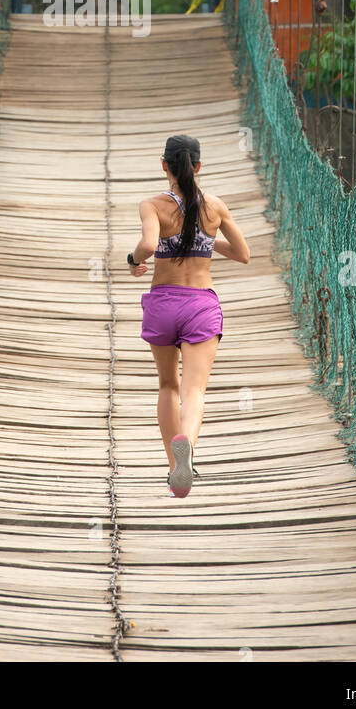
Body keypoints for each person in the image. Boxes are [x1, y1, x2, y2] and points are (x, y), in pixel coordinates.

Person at [127, 133, 250, 497]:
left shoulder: (152, 205)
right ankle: (188, 450)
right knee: (195, 388)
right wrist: (206, 240)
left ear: (164, 165)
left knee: (168, 385)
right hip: (201, 306)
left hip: (163, 303)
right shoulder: (214, 206)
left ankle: (172, 465)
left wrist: (134, 260)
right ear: (198, 166)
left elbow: (150, 245)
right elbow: (244, 253)